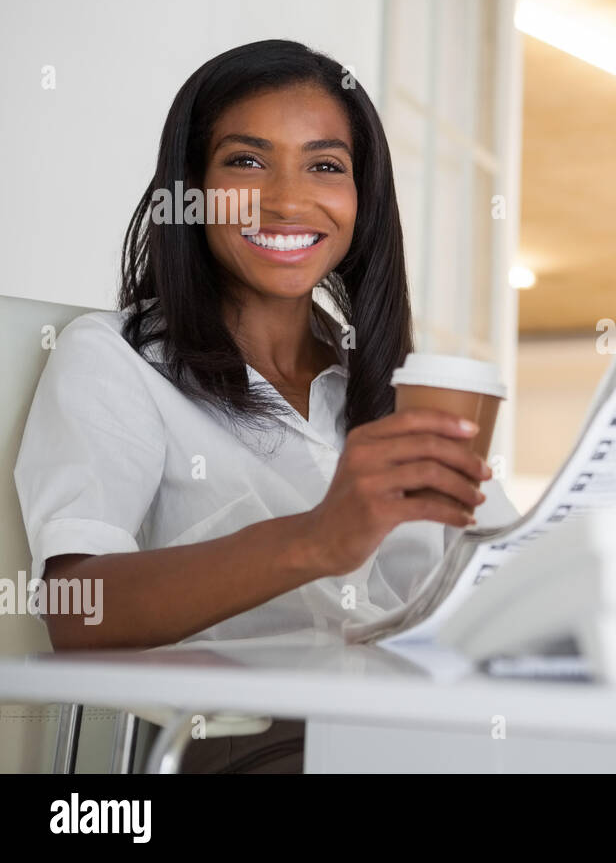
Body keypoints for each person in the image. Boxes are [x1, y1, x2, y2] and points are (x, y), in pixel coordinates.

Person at [13, 39, 516, 772]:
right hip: (243, 745)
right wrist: (316, 538)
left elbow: (511, 584)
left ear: (361, 198)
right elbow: (76, 611)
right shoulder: (114, 357)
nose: (285, 199)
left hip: (430, 735)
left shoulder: (399, 391)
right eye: (246, 161)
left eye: (325, 166)